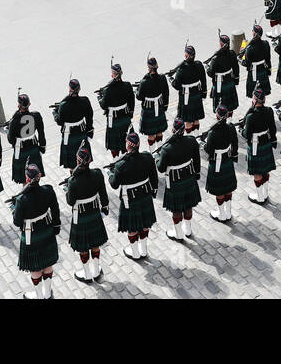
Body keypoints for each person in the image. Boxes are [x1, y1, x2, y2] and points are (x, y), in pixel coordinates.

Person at [12, 162, 60, 297]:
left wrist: (14, 210)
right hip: (47, 229)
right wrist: (56, 227)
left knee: (35, 267)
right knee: (47, 262)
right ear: (39, 177)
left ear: (27, 179)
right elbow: (55, 210)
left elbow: (17, 222)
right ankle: (47, 293)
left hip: (30, 234)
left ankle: (39, 295)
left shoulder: (21, 199)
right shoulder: (48, 190)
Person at [109, 130, 158, 260]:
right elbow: (154, 177)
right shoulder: (147, 157)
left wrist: (110, 174)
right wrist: (154, 191)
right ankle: (144, 249)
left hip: (129, 198)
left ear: (128, 146)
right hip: (145, 194)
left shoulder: (121, 165)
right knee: (144, 223)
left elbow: (114, 184)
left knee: (132, 227)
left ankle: (136, 252)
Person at [66, 142, 110, 282]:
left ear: (78, 161)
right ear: (89, 160)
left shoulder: (73, 181)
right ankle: (96, 271)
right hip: (94, 213)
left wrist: (68, 187)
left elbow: (70, 201)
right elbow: (103, 194)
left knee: (83, 247)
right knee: (95, 243)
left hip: (81, 215)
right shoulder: (97, 174)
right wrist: (105, 208)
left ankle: (87, 273)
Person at [158, 119, 202, 240]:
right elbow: (197, 159)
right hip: (189, 177)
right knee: (188, 205)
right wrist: (197, 173)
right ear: (183, 130)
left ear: (173, 129)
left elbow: (161, 169)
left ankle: (178, 233)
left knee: (176, 209)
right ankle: (187, 230)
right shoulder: (191, 141)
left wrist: (158, 159)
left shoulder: (167, 148)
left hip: (174, 181)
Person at [242, 90, 278, 203]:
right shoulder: (268, 111)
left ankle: (260, 197)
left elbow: (247, 135)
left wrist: (241, 131)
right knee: (265, 169)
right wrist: (273, 140)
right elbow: (273, 128)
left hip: (255, 145)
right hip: (265, 141)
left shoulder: (251, 116)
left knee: (257, 172)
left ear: (255, 100)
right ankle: (265, 193)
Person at [7, 93, 46, 184]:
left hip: (21, 151)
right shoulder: (36, 116)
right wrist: (42, 146)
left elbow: (11, 140)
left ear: (18, 105)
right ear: (29, 104)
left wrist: (9, 129)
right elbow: (41, 133)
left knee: (25, 179)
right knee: (35, 175)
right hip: (33, 148)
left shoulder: (14, 121)